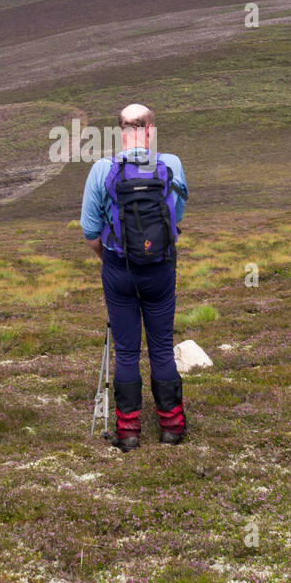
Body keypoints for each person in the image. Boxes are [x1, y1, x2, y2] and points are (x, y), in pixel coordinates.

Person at [80, 104, 189, 451]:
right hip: (159, 268)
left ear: (119, 131)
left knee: (126, 352)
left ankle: (128, 433)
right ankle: (172, 425)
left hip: (119, 270)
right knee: (161, 347)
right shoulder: (170, 165)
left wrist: (109, 257)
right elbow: (177, 215)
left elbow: (89, 230)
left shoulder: (102, 169)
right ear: (150, 129)